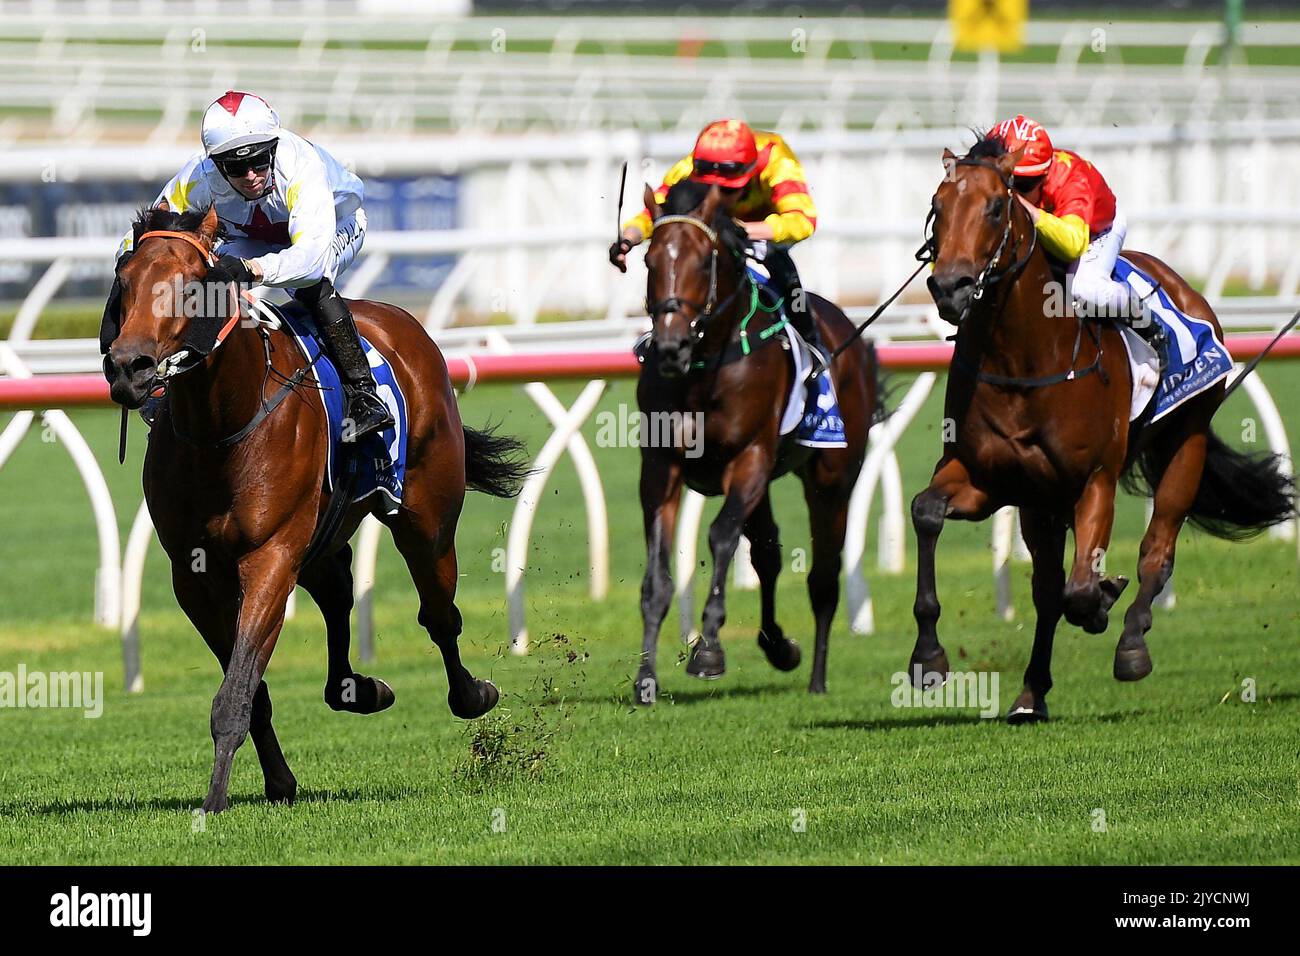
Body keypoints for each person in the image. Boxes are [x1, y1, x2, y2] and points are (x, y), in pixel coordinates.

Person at [104, 89, 393, 438]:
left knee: (310, 287)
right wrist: (129, 267)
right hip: (253, 234)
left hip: (336, 226)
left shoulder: (301, 165)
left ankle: (363, 393)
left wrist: (253, 270)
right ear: (217, 164)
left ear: (273, 147)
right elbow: (143, 235)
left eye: (260, 160)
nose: (252, 175)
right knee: (206, 282)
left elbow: (310, 260)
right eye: (237, 167)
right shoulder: (198, 175)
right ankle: (175, 384)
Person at [610, 118, 825, 356]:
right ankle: (662, 332)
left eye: (728, 190)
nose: (719, 198)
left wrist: (744, 231)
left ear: (750, 171)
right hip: (711, 233)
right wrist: (629, 239)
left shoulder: (776, 158)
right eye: (709, 189)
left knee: (784, 271)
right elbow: (655, 214)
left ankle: (811, 343)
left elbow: (803, 220)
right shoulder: (688, 168)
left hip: (762, 233)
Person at [989, 113, 1159, 339]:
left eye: (1024, 184)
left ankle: (1145, 319)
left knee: (1084, 289)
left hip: (1096, 231)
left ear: (1045, 174)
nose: (1015, 191)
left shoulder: (1072, 179)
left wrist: (1029, 211)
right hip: (1052, 224)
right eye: (1008, 181)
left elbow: (1072, 245)